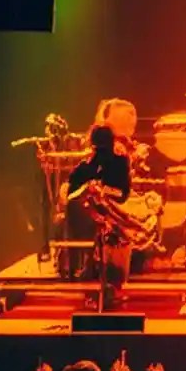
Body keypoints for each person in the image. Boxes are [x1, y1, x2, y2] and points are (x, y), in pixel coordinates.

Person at [66, 124, 133, 306]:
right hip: (90, 218)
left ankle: (107, 288)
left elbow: (123, 193)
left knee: (117, 234)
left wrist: (105, 193)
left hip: (110, 212)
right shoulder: (86, 167)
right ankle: (101, 288)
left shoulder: (117, 163)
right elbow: (72, 197)